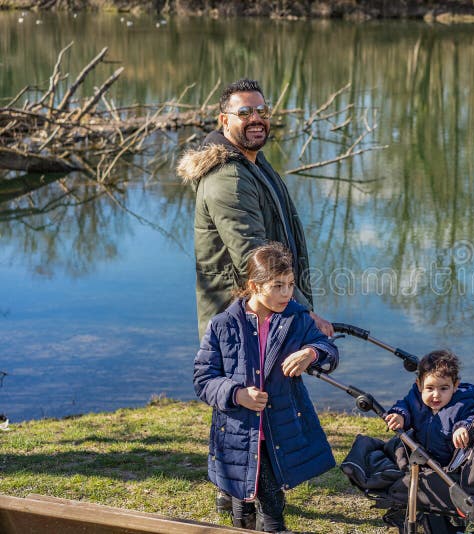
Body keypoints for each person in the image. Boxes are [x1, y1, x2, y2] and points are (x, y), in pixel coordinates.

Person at [193, 242, 338, 532]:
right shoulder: (222, 325)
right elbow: (203, 379)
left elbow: (329, 351)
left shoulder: (295, 320)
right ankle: (243, 522)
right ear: (254, 285)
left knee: (271, 495)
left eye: (291, 285)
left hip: (279, 425)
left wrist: (311, 353)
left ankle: (273, 526)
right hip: (236, 428)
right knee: (240, 494)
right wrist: (236, 394)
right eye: (278, 286)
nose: (287, 293)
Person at [177, 78, 333, 341]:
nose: (256, 119)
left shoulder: (253, 163)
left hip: (267, 320)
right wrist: (301, 312)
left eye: (262, 112)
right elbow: (254, 256)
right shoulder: (228, 178)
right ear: (224, 121)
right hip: (239, 332)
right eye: (245, 113)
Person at [385, 350, 474, 467]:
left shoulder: (463, 403)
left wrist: (463, 427)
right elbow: (405, 406)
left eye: (444, 388)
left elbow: (472, 417)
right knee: (394, 450)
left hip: (446, 464)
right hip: (420, 453)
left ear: (455, 385)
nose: (436, 395)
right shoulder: (416, 397)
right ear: (419, 385)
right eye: (430, 388)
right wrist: (400, 415)